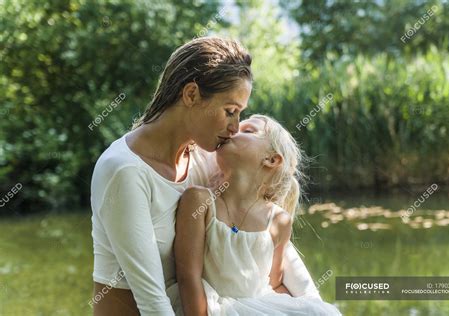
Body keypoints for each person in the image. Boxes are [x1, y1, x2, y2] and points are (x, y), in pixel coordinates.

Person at [90, 37, 319, 316]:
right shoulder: (124, 171)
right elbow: (152, 302)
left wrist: (313, 304)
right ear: (191, 95)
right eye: (230, 112)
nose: (235, 127)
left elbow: (262, 236)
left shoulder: (207, 154)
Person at [171, 115, 341, 315]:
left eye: (248, 130)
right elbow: (188, 277)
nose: (233, 131)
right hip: (214, 307)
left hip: (260, 305)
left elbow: (274, 281)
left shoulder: (279, 221)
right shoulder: (200, 201)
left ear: (272, 159)